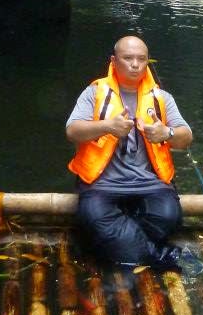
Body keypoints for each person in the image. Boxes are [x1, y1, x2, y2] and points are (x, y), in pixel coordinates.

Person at [66, 35, 194, 269]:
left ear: (147, 62)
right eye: (128, 58)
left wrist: (166, 133)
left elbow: (186, 138)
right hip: (102, 184)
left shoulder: (161, 98)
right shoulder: (94, 93)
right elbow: (72, 131)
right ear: (114, 61)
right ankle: (161, 256)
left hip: (150, 183)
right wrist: (107, 126)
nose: (135, 64)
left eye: (141, 59)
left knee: (169, 217)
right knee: (94, 216)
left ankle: (117, 245)